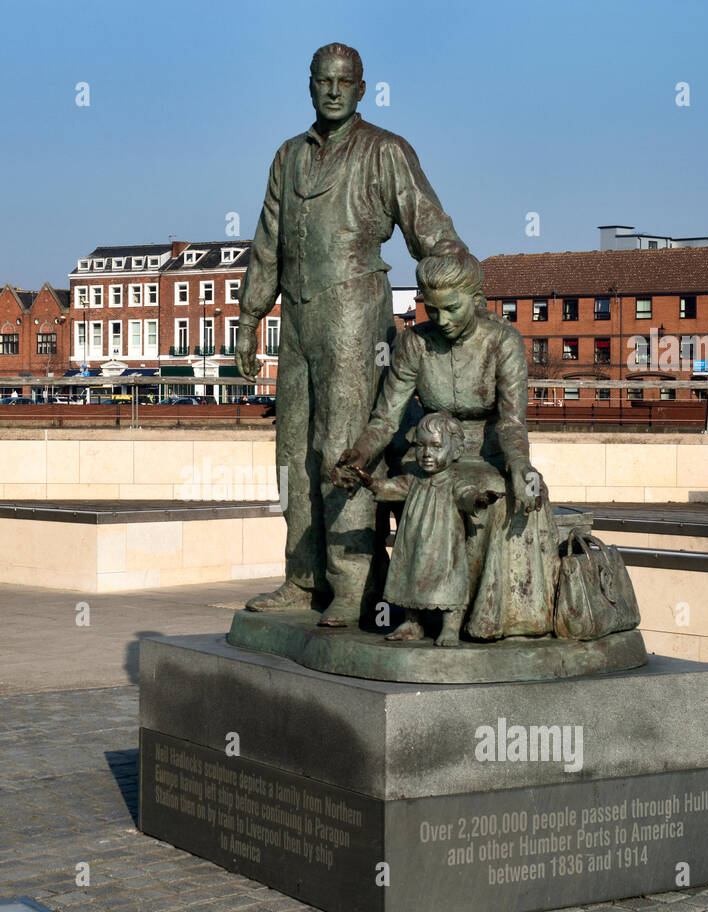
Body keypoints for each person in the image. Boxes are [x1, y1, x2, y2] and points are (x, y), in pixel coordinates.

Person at [234, 42, 466, 627]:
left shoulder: (386, 151)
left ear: (362, 88)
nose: (333, 90)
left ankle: (354, 582)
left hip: (355, 314)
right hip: (298, 322)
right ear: (309, 86)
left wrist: (459, 300)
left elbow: (431, 230)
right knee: (292, 450)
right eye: (323, 81)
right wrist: (249, 317)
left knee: (343, 446)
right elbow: (267, 243)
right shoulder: (287, 158)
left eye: (345, 81)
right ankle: (302, 575)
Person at [334, 250, 560, 639]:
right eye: (433, 311)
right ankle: (421, 615)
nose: (442, 320)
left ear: (475, 299)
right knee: (425, 498)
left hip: (488, 453)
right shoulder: (413, 343)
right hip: (430, 455)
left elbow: (511, 421)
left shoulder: (504, 341)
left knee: (499, 496)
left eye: (452, 309)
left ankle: (486, 618)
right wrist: (361, 454)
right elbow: (386, 418)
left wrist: (521, 465)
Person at [350, 411, 503, 646]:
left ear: (456, 451)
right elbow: (389, 488)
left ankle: (450, 627)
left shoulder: (453, 482)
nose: (426, 453)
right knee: (409, 577)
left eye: (435, 446)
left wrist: (480, 499)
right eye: (420, 446)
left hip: (444, 547)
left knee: (449, 584)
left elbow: (467, 495)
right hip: (412, 545)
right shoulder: (413, 481)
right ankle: (413, 623)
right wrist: (370, 482)